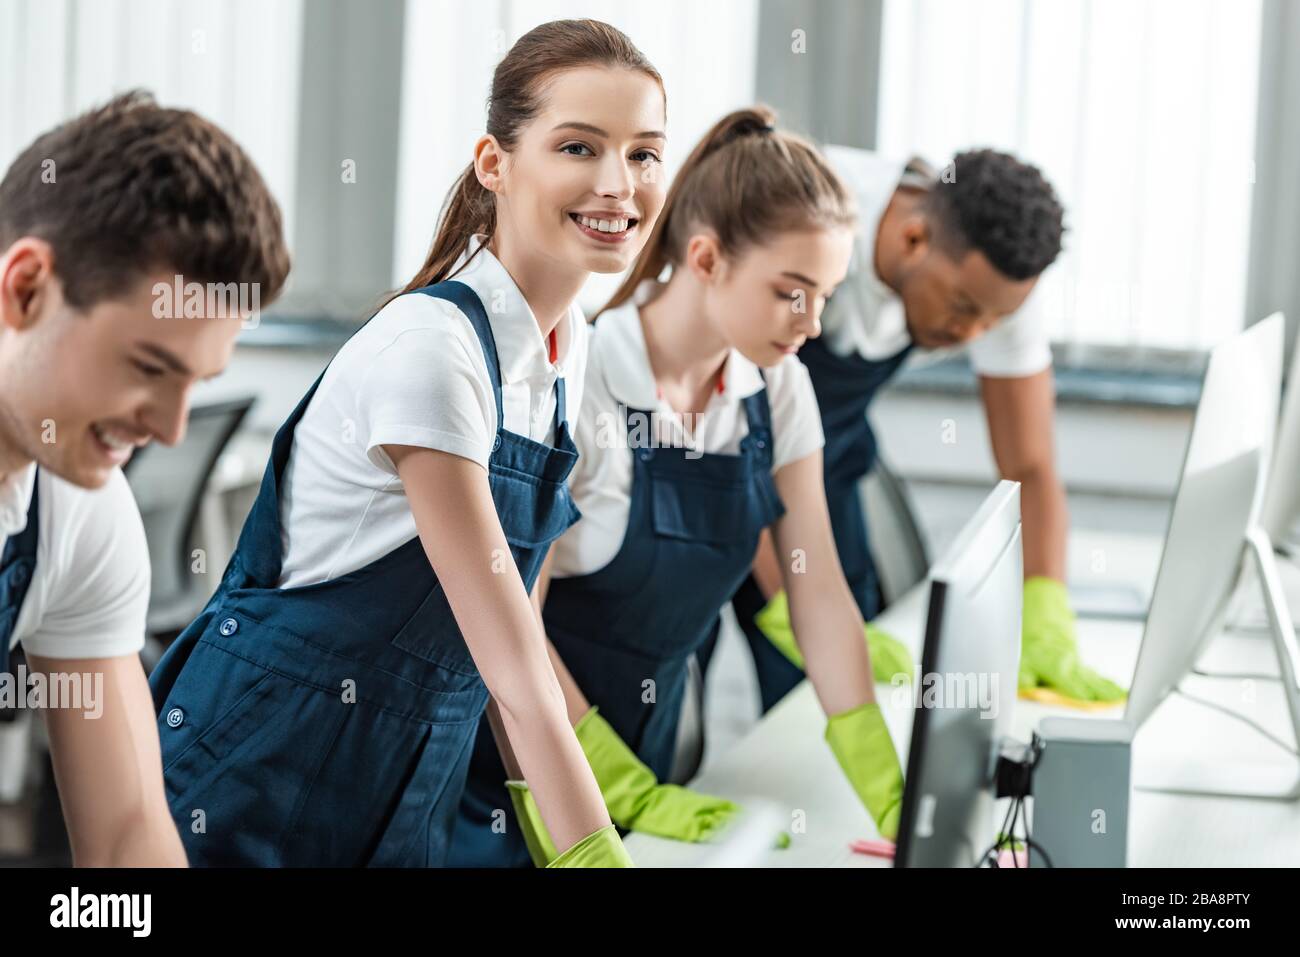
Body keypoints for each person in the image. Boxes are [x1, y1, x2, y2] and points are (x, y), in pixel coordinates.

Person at [148, 19, 668, 867]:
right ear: (494, 164)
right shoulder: (436, 352)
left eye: (644, 154)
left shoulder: (568, 348)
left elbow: (510, 648)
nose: (619, 183)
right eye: (579, 147)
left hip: (404, 777)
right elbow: (515, 674)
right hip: (259, 763)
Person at [452, 107, 907, 867]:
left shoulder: (777, 387)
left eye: (825, 295)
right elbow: (508, 637)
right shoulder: (580, 383)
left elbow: (817, 592)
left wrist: (895, 794)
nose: (813, 323)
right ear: (705, 258)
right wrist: (614, 788)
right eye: (792, 291)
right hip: (509, 777)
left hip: (650, 766)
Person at [0, 91, 290, 865]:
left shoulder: (75, 512)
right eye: (148, 367)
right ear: (26, 288)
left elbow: (127, 832)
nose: (167, 429)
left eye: (194, 382)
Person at [737, 145, 1126, 713]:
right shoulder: (803, 216)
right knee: (660, 672)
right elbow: (717, 437)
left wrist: (1045, 610)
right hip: (692, 460)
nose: (974, 333)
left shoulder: (996, 283)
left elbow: (1029, 465)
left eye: (995, 320)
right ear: (912, 239)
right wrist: (797, 614)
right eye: (963, 308)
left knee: (826, 706)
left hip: (824, 463)